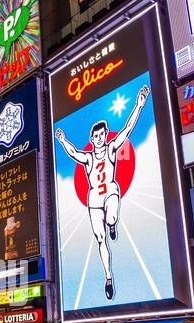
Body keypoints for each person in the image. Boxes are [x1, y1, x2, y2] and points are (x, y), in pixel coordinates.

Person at [54, 85, 151, 301]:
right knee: (100, 238)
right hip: (94, 199)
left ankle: (113, 223)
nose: (98, 138)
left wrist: (139, 104)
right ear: (92, 137)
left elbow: (127, 129)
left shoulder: (111, 148)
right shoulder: (88, 157)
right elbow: (73, 152)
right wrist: (61, 140)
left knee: (112, 216)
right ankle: (108, 277)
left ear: (105, 135)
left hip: (111, 191)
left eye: (101, 134)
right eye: (95, 135)